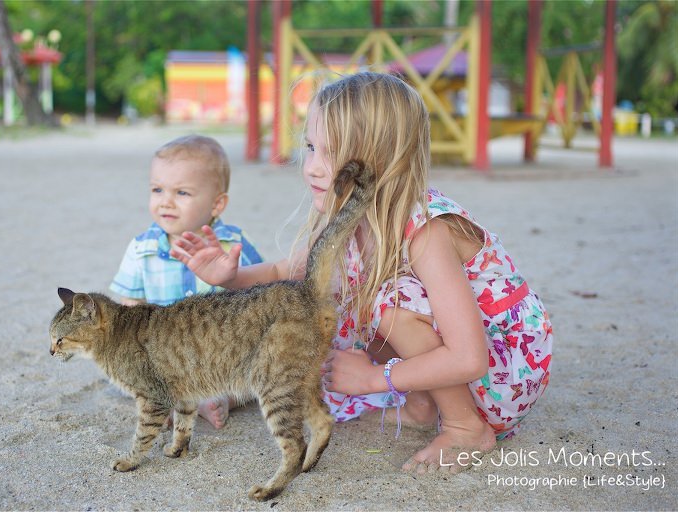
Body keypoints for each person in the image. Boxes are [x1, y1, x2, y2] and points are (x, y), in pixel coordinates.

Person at [169, 72, 553, 472]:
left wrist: (373, 379)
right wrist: (228, 277)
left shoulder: (427, 231)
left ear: (381, 160)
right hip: (454, 360)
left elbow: (470, 358)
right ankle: (423, 404)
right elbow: (287, 271)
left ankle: (464, 426)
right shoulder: (345, 218)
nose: (313, 168)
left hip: (504, 366)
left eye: (330, 152)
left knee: (386, 302)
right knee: (350, 297)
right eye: (311, 147)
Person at [110, 134, 263, 428]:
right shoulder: (142, 249)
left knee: (260, 368)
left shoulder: (233, 244)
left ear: (217, 204)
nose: (165, 202)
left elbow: (259, 294)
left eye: (182, 193)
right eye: (157, 189)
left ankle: (220, 400)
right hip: (167, 355)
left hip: (220, 353)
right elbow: (128, 308)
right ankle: (166, 400)